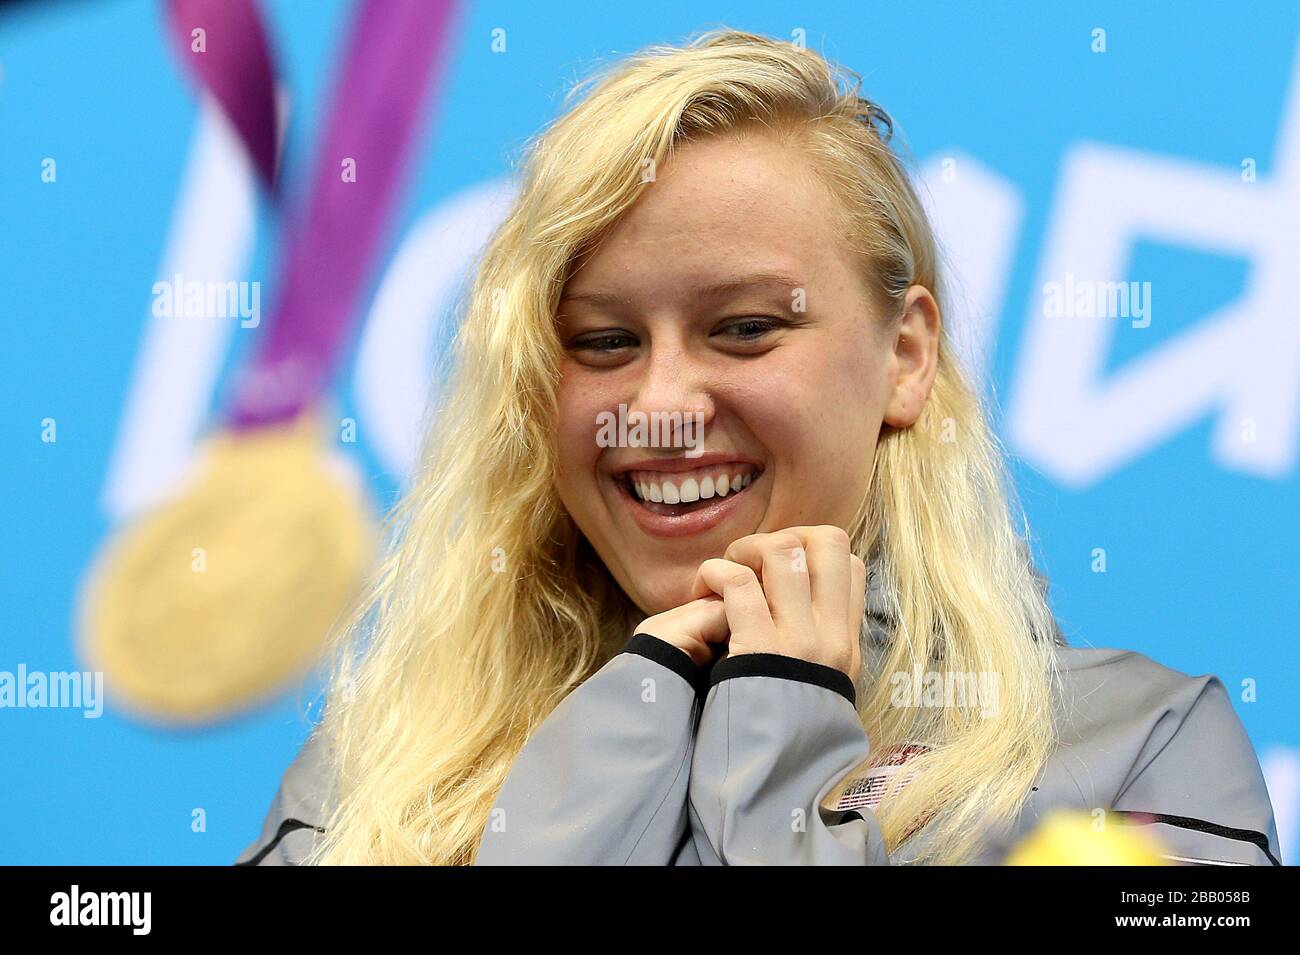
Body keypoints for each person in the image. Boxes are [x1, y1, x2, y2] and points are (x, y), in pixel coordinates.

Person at [236, 29, 1281, 866]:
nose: (660, 405)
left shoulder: (1136, 746)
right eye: (601, 342)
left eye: (744, 329)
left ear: (905, 356)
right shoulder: (382, 773)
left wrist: (782, 752)